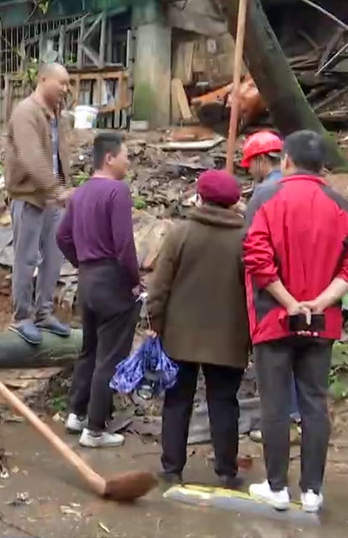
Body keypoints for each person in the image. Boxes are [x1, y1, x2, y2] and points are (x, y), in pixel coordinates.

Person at [242, 130, 348, 512]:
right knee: (315, 402)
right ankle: (312, 491)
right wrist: (321, 301)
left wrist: (290, 302)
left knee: (275, 403)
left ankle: (277, 487)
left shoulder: (265, 197)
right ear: (322, 165)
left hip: (273, 318)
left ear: (286, 161)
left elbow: (255, 258)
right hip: (321, 321)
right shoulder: (340, 203)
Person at [146, 169, 250, 488]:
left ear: (200, 197)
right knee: (224, 402)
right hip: (229, 337)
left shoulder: (181, 233)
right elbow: (254, 289)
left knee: (178, 400)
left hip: (181, 335)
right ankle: (226, 471)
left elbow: (160, 286)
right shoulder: (246, 237)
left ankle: (172, 468)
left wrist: (155, 323)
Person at [57, 132, 139, 448]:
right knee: (111, 356)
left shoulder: (79, 194)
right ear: (109, 158)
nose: (128, 161)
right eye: (125, 155)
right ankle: (95, 428)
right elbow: (124, 245)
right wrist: (134, 281)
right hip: (111, 281)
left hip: (87, 280)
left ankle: (76, 413)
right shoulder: (116, 191)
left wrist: (82, 263)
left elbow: (62, 237)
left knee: (89, 349)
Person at [3, 63, 73, 345]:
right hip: (30, 196)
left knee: (54, 258)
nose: (65, 89)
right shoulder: (26, 113)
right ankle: (22, 316)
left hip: (53, 199)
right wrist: (58, 189)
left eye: (68, 84)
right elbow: (32, 157)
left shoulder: (56, 115)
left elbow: (58, 155)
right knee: (26, 257)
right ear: (43, 79)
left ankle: (44, 312)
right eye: (62, 83)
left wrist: (61, 189)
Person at [240, 130, 302, 430]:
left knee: (276, 358)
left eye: (251, 163)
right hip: (304, 284)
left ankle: (281, 419)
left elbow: (250, 244)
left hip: (271, 287)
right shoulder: (300, 187)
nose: (249, 170)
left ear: (263, 160)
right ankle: (298, 412)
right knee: (300, 356)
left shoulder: (264, 192)